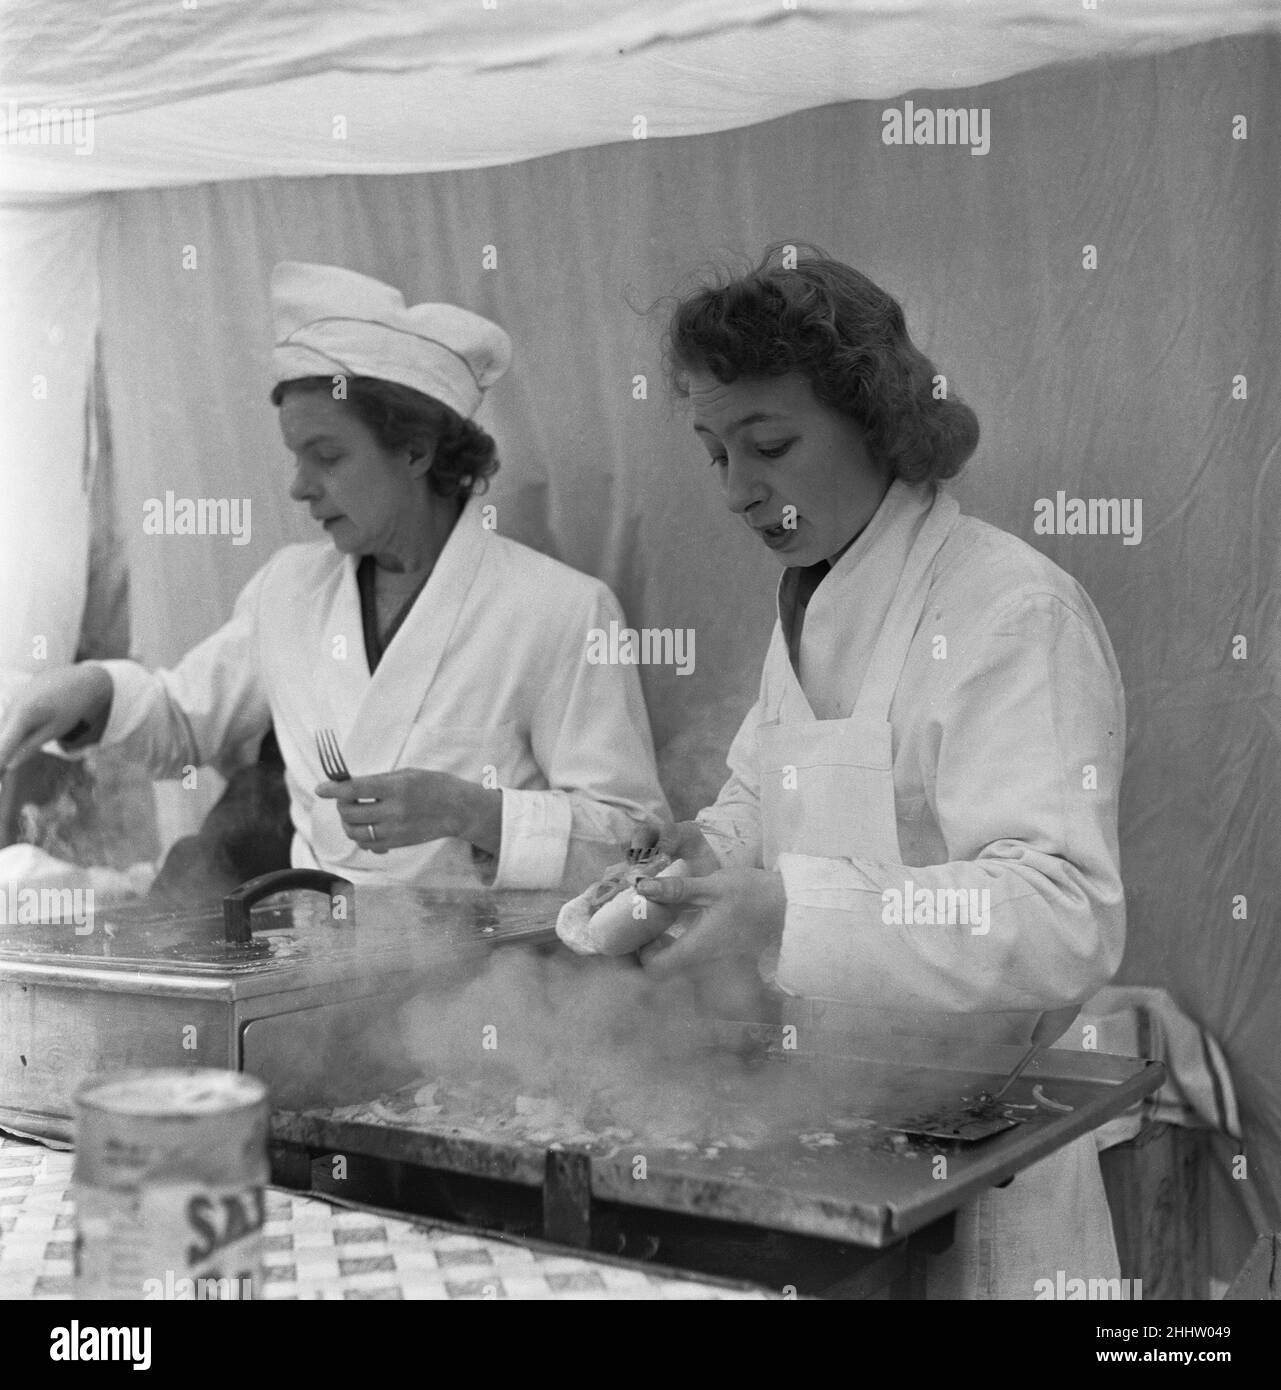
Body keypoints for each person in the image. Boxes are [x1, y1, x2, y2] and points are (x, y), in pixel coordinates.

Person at [613, 246, 1126, 1298]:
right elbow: (767, 794)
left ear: (879, 421)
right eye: (715, 454)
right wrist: (703, 855)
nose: (737, 490)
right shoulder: (813, 591)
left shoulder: (1007, 611)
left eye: (769, 444)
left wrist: (785, 909)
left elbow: (1062, 912)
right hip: (841, 1136)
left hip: (983, 1168)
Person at [0, 262, 667, 890]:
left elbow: (638, 842)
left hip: (484, 981)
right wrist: (86, 690)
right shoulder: (288, 591)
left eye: (327, 456)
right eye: (296, 456)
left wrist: (476, 812)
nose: (298, 487)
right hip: (309, 964)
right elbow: (182, 723)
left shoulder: (560, 611)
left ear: (415, 449)